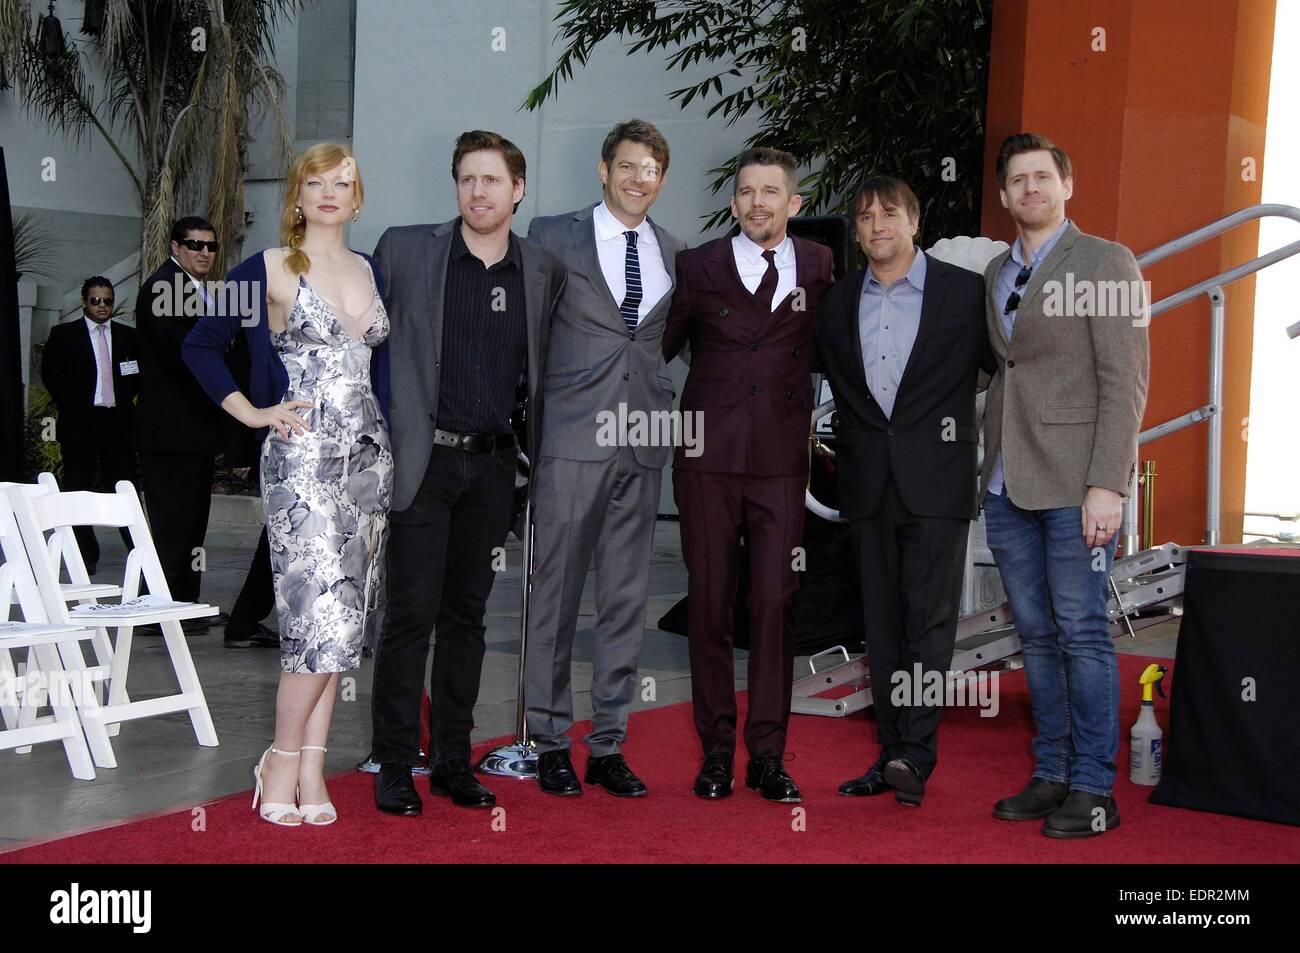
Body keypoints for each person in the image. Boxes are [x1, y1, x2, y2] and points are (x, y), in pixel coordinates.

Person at [184, 142, 392, 827]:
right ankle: (278, 758)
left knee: (344, 625)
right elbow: (200, 343)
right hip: (302, 463)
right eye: (315, 182)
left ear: (357, 197)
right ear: (297, 195)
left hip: (368, 465)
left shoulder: (370, 269)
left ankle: (311, 765)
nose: (329, 192)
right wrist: (252, 412)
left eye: (342, 183)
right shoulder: (271, 266)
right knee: (311, 622)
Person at [368, 130, 566, 815]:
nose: (478, 192)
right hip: (423, 464)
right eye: (467, 179)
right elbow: (366, 345)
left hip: (493, 470)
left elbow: (545, 372)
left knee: (468, 619)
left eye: (492, 180)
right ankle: (396, 762)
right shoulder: (405, 251)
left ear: (518, 189)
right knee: (408, 618)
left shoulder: (540, 271)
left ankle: (453, 760)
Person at [980, 133, 1149, 838]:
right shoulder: (996, 271)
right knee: (1036, 636)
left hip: (1078, 485)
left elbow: (1124, 381)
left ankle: (1093, 788)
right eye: (1018, 180)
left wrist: (1108, 483)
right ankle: (1051, 772)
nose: (1031, 189)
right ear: (1004, 195)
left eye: (1042, 177)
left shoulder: (1107, 261)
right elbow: (1007, 369)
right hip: (1006, 483)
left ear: (1067, 185)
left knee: (1083, 633)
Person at [813, 176, 993, 806]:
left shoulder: (964, 292)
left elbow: (1002, 368)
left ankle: (915, 752)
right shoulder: (837, 302)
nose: (877, 226)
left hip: (937, 482)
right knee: (882, 628)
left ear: (915, 222)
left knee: (929, 625)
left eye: (890, 214)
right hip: (867, 485)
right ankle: (889, 752)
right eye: (865, 218)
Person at [663, 147, 834, 803]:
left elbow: (835, 346)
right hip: (707, 460)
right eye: (747, 192)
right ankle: (715, 753)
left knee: (774, 603)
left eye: (772, 191)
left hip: (781, 464)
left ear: (794, 203)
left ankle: (767, 755)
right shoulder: (697, 265)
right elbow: (658, 349)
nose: (758, 202)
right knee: (709, 603)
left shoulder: (819, 265)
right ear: (734, 203)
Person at [523, 119, 684, 798]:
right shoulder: (551, 236)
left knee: (624, 600)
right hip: (569, 440)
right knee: (555, 597)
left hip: (642, 445)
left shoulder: (676, 252)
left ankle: (609, 744)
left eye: (650, 169)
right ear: (603, 169)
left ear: (661, 179)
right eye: (627, 165)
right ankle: (550, 741)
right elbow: (526, 334)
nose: (637, 179)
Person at [135, 216, 230, 633]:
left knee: (190, 523)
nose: (204, 252)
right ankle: (157, 609)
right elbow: (187, 355)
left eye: (211, 246)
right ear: (175, 247)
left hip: (191, 431)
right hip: (171, 430)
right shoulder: (164, 287)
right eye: (195, 245)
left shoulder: (194, 289)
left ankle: (183, 604)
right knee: (172, 523)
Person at [40, 277, 139, 574]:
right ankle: (85, 555)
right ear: (84, 301)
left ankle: (139, 548)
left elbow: (136, 374)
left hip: (116, 421)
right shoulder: (64, 334)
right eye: (96, 300)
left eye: (107, 301)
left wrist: (124, 399)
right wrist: (72, 404)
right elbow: (50, 374)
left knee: (124, 486)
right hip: (80, 422)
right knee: (77, 488)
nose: (102, 306)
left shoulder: (128, 336)